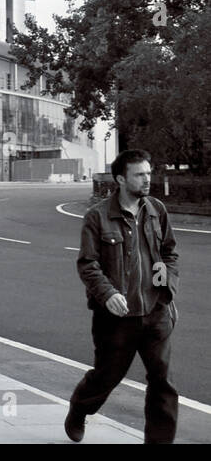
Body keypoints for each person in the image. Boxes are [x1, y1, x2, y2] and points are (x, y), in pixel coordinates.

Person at [66, 150, 179, 444]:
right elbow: (87, 264)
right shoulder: (98, 216)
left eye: (149, 173)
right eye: (139, 174)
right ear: (120, 179)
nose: (147, 179)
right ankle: (80, 408)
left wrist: (167, 288)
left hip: (155, 312)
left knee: (161, 381)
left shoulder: (156, 210)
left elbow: (169, 253)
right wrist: (108, 294)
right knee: (106, 377)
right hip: (115, 319)